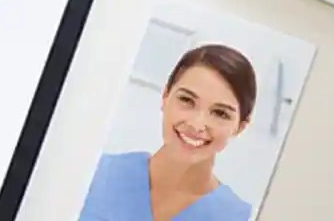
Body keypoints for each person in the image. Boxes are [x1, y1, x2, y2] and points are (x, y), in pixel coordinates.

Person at [78, 44, 257, 221]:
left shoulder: (239, 217)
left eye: (220, 113)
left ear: (240, 127)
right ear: (165, 96)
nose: (197, 125)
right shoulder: (93, 172)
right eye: (187, 100)